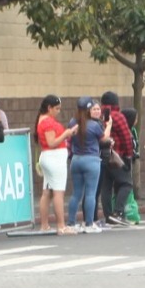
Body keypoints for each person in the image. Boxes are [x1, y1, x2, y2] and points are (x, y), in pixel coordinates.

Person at [35, 94, 74, 234]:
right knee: (58, 192)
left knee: (47, 192)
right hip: (54, 157)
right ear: (49, 108)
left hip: (48, 157)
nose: (58, 111)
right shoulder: (47, 123)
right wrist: (66, 134)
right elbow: (51, 143)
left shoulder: (43, 120)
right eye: (56, 109)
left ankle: (44, 225)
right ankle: (61, 226)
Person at [67, 96, 106, 233]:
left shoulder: (72, 122)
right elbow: (104, 139)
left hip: (76, 159)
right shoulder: (94, 125)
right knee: (90, 193)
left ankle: (71, 222)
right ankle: (89, 223)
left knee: (76, 194)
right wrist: (110, 126)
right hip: (91, 160)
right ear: (88, 110)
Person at [97, 90, 135, 225]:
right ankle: (118, 212)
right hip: (117, 155)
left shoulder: (98, 115)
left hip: (101, 156)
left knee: (106, 187)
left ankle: (108, 215)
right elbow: (126, 137)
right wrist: (129, 155)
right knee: (126, 183)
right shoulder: (118, 116)